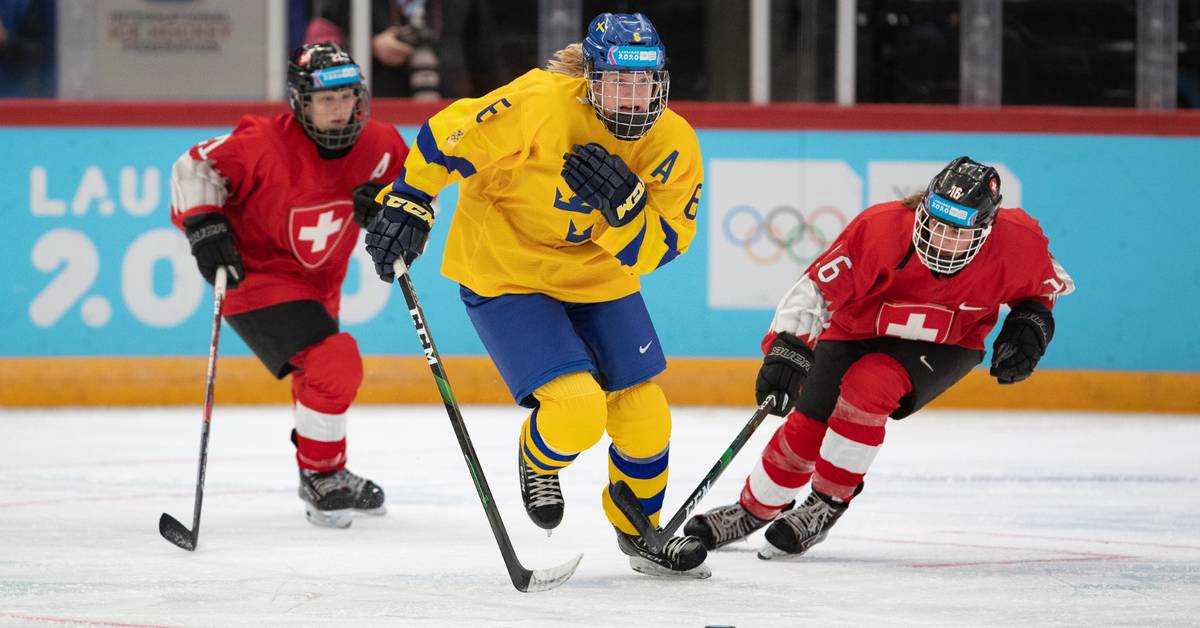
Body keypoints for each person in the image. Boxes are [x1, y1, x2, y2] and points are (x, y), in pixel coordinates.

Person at [363, 12, 709, 578]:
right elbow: (451, 133)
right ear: (591, 78)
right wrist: (410, 198)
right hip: (508, 273)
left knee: (646, 415)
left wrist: (624, 213)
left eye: (645, 83)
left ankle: (642, 529)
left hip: (598, 278)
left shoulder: (673, 141)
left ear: (661, 81)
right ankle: (538, 459)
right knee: (576, 412)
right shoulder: (542, 102)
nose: (632, 97)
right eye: (619, 82)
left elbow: (660, 249)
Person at [685, 156, 1075, 559]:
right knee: (807, 423)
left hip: (945, 344)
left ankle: (826, 503)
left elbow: (1041, 289)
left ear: (986, 229)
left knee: (869, 386)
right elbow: (816, 291)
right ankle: (753, 509)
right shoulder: (880, 229)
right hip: (855, 330)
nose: (942, 240)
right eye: (936, 224)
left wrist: (1031, 322)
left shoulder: (1018, 241)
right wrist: (789, 347)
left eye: (957, 232)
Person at [169, 42, 409, 529]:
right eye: (326, 100)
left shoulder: (382, 146)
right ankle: (322, 474)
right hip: (252, 276)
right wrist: (204, 225)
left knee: (319, 375)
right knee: (335, 362)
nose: (340, 110)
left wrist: (391, 214)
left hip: (320, 282)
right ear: (300, 102)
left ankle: (327, 472)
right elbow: (194, 165)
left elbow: (418, 197)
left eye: (347, 97)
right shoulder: (261, 143)